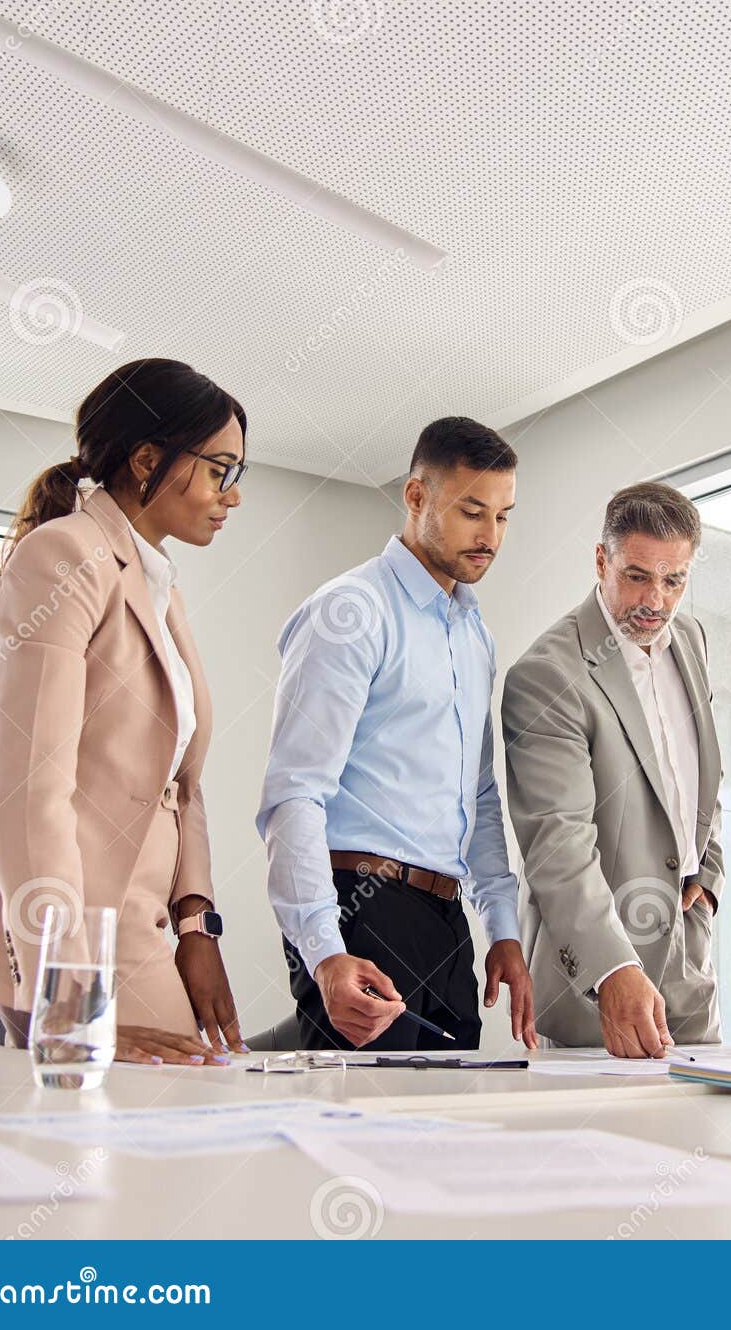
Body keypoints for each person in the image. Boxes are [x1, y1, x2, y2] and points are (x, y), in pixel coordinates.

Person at [0, 358, 248, 1067]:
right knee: (162, 1120)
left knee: (168, 1126)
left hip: (139, 919)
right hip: (70, 925)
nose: (233, 495)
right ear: (145, 459)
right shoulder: (64, 556)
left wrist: (197, 925)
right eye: (220, 469)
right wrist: (68, 1000)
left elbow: (180, 783)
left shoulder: (161, 587)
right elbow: (29, 788)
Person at [257, 415, 537, 1052]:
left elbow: (482, 796)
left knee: (449, 1140)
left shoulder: (474, 635)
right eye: (472, 511)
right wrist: (325, 952)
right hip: (363, 909)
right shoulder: (349, 613)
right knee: (362, 1141)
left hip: (446, 920)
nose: (490, 535)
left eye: (503, 516)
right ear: (416, 497)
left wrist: (503, 930)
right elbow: (294, 798)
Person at [502, 482, 723, 1057]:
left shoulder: (691, 642)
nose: (656, 600)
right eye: (637, 575)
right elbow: (557, 842)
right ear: (601, 560)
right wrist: (612, 968)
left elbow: (700, 782)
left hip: (688, 976)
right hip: (594, 995)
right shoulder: (548, 675)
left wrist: (708, 879)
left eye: (673, 580)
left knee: (701, 1139)